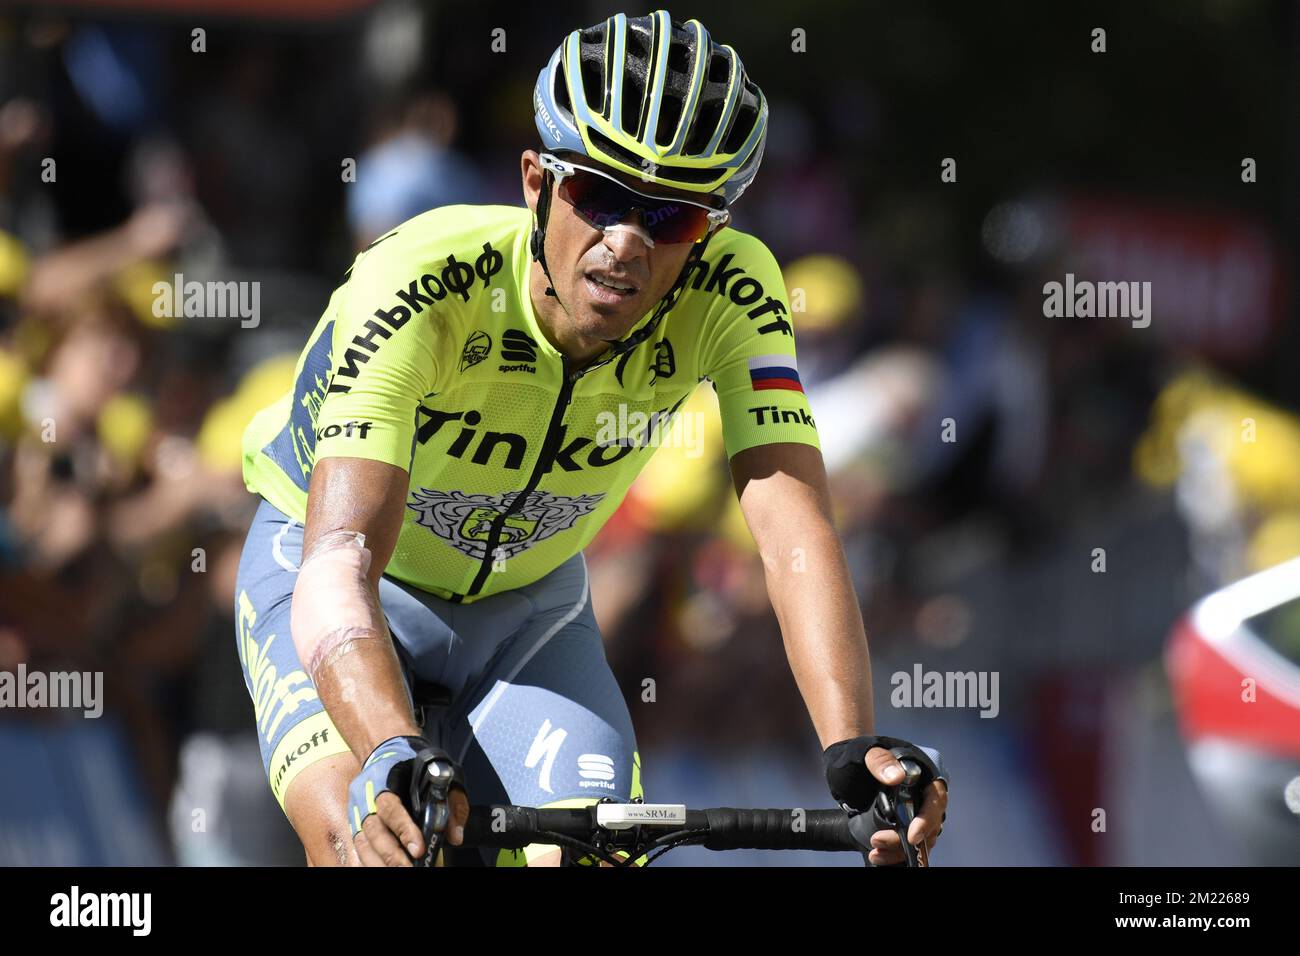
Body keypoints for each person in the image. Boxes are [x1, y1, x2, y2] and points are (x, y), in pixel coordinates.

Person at [235, 9, 948, 867]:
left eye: (672, 219)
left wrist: (853, 745)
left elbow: (793, 529)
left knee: (596, 855)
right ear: (535, 181)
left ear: (712, 233)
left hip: (528, 612)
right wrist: (390, 746)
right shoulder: (421, 281)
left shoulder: (735, 290)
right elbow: (340, 558)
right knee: (371, 845)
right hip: (338, 580)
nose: (625, 244)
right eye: (600, 198)